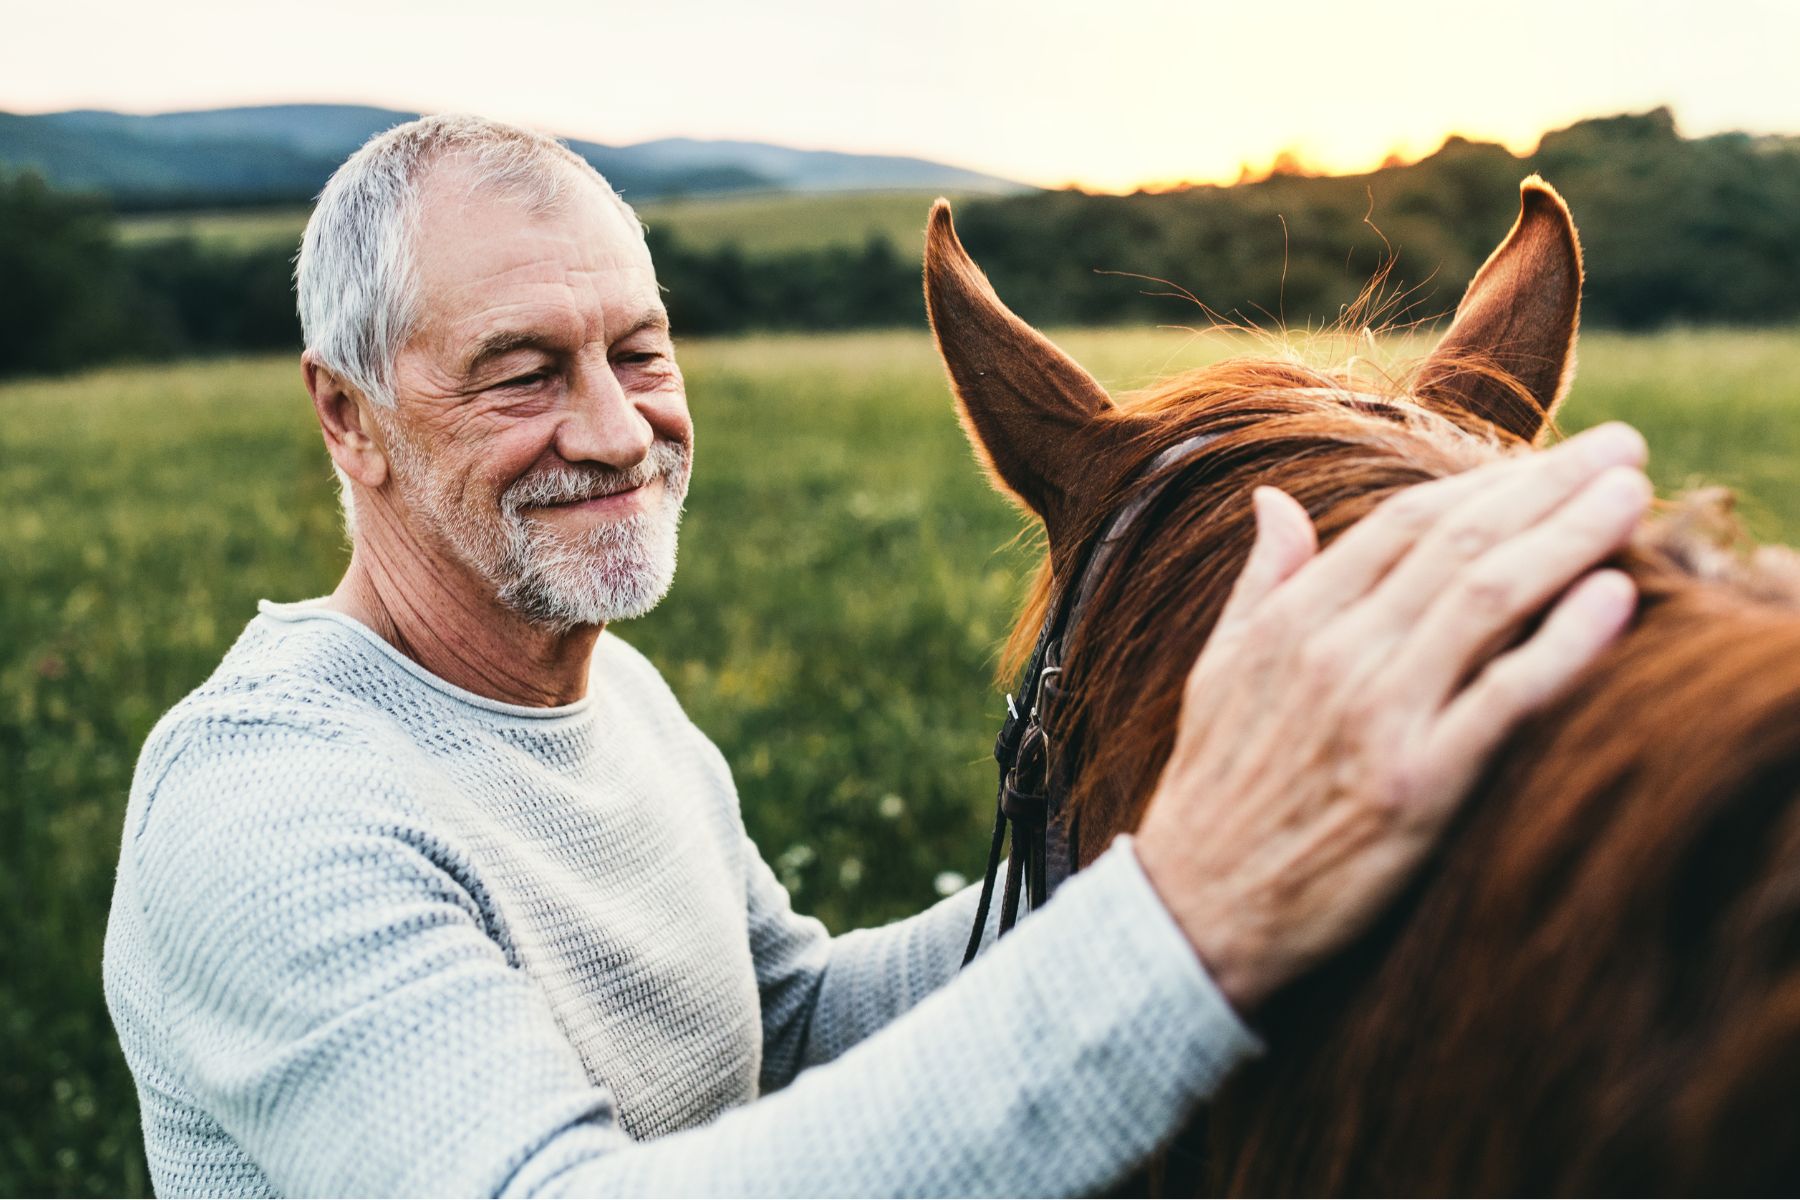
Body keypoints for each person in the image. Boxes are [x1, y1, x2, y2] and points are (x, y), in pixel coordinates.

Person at [102, 115, 1651, 1197]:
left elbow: (783, 1033)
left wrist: (1133, 842)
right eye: (519, 374)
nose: (612, 426)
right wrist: (1189, 918)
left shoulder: (608, 699)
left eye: (638, 352)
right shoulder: (273, 820)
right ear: (344, 415)